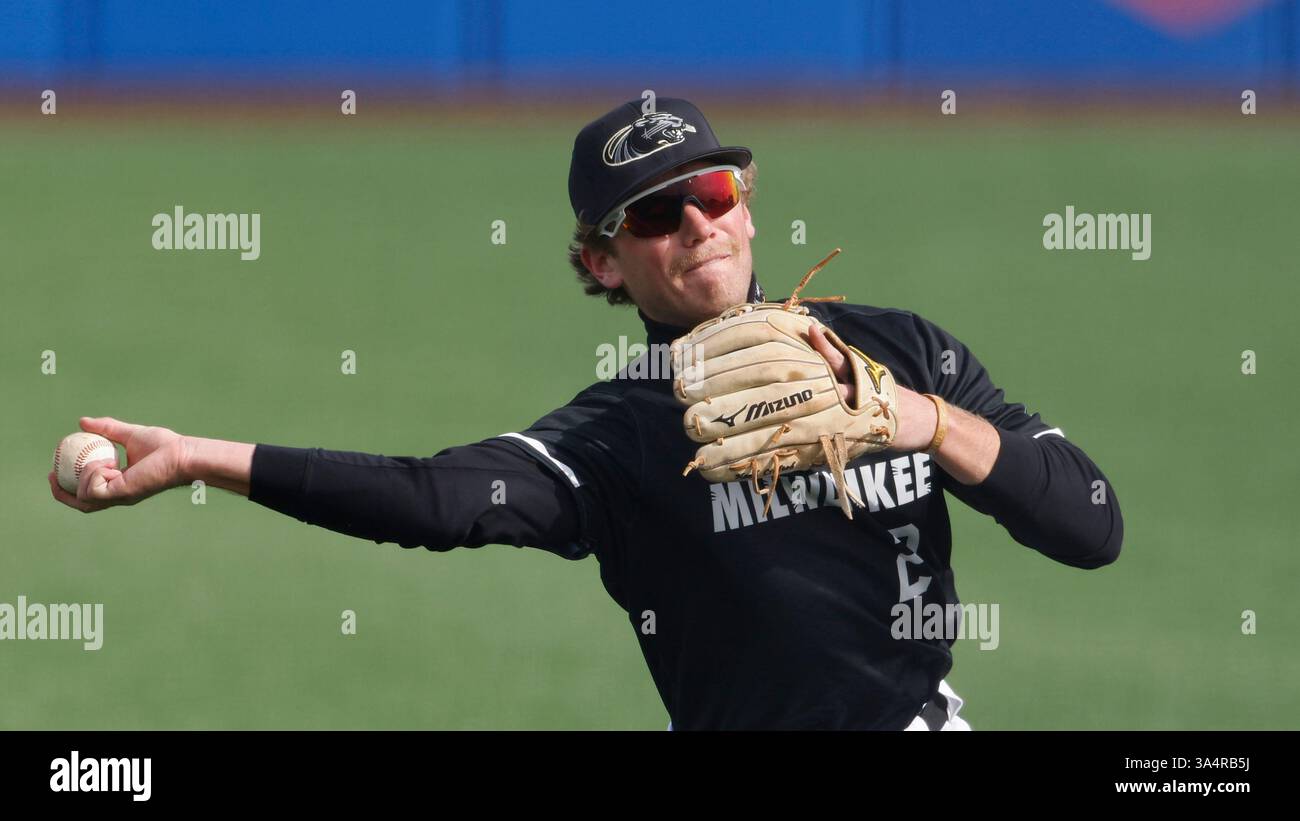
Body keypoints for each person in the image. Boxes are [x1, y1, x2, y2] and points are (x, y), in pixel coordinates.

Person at [49, 97, 1122, 730]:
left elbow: (1089, 526)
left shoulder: (900, 350)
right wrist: (199, 457)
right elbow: (436, 501)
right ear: (601, 260)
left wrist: (926, 423)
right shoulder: (617, 436)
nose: (698, 224)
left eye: (715, 193)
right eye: (658, 212)